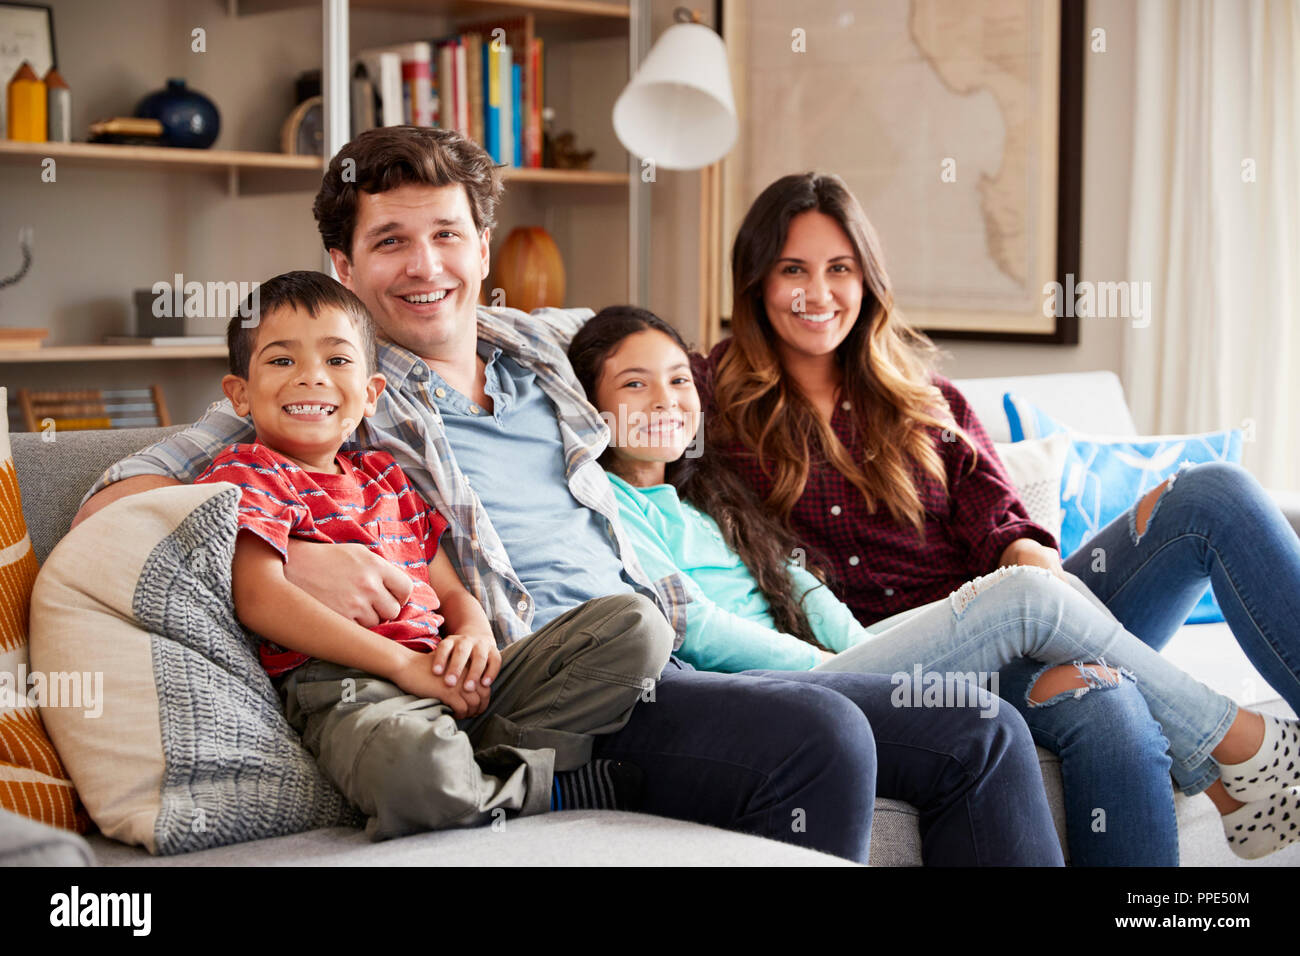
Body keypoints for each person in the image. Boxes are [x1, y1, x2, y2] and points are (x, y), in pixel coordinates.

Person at [72, 126, 1064, 866]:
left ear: (485, 244)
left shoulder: (544, 346)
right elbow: (115, 502)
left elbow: (690, 363)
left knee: (981, 733)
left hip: (669, 639)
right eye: (389, 243)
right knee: (822, 733)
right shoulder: (328, 388)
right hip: (561, 682)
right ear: (343, 266)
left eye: (447, 235)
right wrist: (301, 554)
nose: (425, 266)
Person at [696, 170, 1300, 865]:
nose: (820, 293)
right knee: (1107, 706)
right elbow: (623, 386)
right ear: (754, 283)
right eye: (792, 270)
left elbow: (1009, 530)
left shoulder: (926, 400)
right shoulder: (713, 402)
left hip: (1020, 616)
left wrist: (1047, 597)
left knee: (1212, 493)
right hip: (903, 667)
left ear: (868, 282)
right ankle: (1229, 766)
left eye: (841, 269)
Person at [569, 304, 1300, 862]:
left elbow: (802, 584)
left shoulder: (705, 496)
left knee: (1076, 609)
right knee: (1020, 599)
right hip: (786, 692)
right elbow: (692, 624)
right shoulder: (607, 507)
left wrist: (859, 654)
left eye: (676, 380)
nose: (665, 398)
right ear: (590, 408)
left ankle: (1233, 758)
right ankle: (1235, 743)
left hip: (845, 667)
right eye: (635, 384)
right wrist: (829, 670)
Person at [191, 269, 673, 839]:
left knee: (638, 625)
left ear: (370, 394)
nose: (312, 378)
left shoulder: (386, 477)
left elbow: (449, 590)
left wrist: (473, 638)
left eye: (338, 361)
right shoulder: (248, 473)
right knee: (415, 770)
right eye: (281, 361)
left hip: (447, 674)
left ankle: (474, 766)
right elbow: (258, 598)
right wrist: (403, 667)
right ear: (239, 393)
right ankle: (545, 785)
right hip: (353, 687)